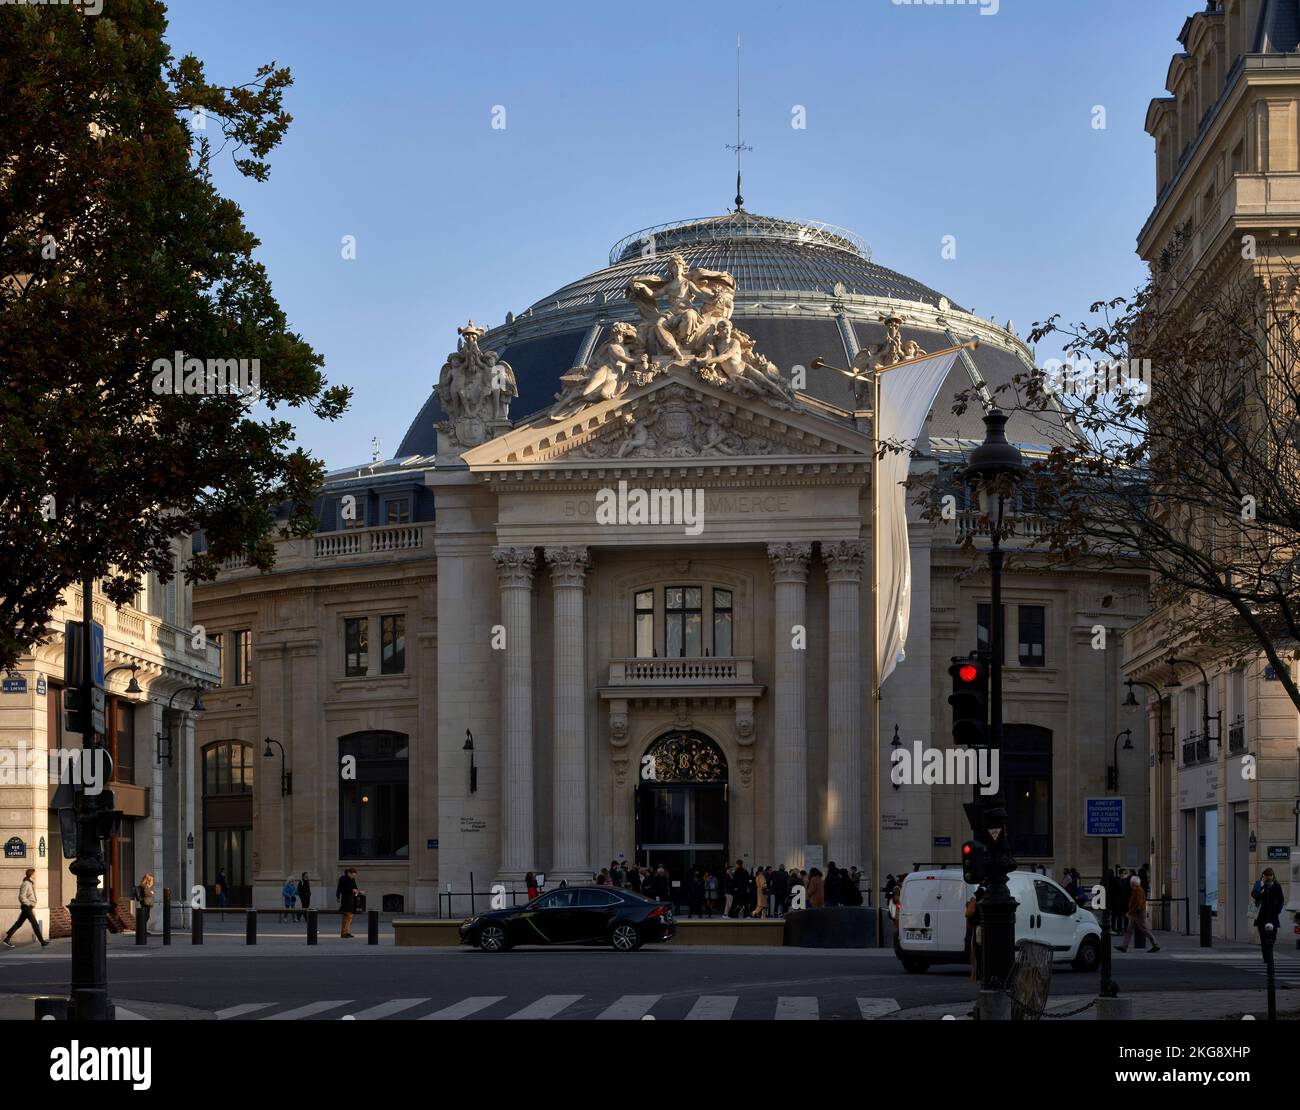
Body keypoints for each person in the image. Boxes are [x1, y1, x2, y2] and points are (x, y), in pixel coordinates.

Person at [3, 868, 50, 948]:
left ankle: (7, 938)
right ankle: (42, 942)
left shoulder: (30, 883)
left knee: (19, 923)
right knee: (35, 924)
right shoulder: (26, 883)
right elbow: (21, 896)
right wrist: (29, 904)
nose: (36, 875)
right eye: (35, 873)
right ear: (31, 874)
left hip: (27, 907)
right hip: (26, 907)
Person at [1115, 874, 1160, 952]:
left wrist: (1130, 912)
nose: (1130, 884)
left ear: (1133, 883)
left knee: (1144, 929)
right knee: (1129, 930)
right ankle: (1124, 946)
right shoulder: (1137, 890)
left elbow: (1137, 904)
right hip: (1135, 913)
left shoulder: (1138, 890)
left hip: (1138, 913)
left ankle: (1155, 944)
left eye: (1131, 882)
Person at [1252, 868, 1285, 948]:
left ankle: (1269, 955)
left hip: (1273, 915)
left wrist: (1278, 910)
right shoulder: (1259, 884)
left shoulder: (1277, 886)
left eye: (1271, 875)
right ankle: (1267, 958)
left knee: (1273, 936)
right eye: (1267, 875)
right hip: (1261, 915)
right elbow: (1255, 895)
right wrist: (1263, 886)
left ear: (1273, 876)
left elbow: (1281, 899)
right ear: (1264, 876)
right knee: (1263, 938)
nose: (1269, 877)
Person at [336, 867, 361, 938]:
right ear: (349, 873)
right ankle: (344, 933)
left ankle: (347, 932)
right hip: (346, 900)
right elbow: (341, 889)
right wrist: (337, 896)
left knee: (349, 917)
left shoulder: (352, 879)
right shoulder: (343, 879)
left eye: (354, 875)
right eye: (353, 874)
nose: (354, 876)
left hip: (352, 899)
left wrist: (358, 892)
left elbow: (355, 888)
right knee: (347, 916)